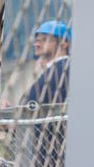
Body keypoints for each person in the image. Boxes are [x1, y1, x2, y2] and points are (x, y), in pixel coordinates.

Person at [22, 20, 71, 166]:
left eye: (45, 40)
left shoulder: (62, 70)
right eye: (37, 40)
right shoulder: (55, 71)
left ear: (63, 44)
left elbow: (31, 103)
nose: (37, 44)